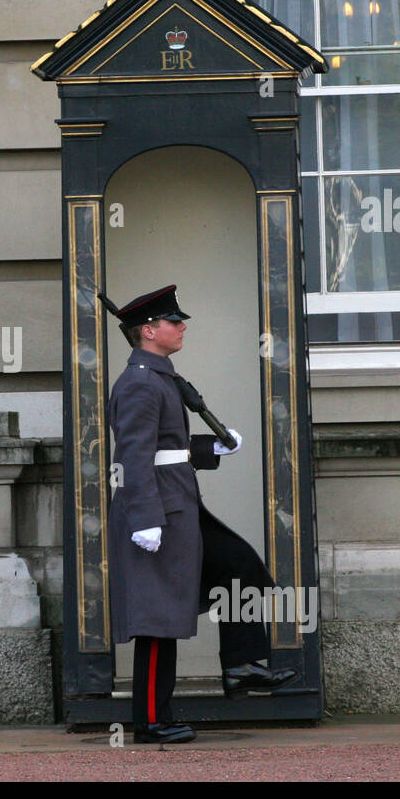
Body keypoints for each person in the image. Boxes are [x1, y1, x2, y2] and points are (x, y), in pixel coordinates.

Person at [98, 284, 297, 745]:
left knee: (240, 569)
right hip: (156, 512)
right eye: (173, 321)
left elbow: (168, 448)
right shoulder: (140, 383)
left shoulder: (158, 376)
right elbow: (133, 456)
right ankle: (150, 720)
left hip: (179, 504)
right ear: (148, 330)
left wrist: (212, 446)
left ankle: (243, 667)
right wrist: (145, 517)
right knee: (157, 616)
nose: (181, 326)